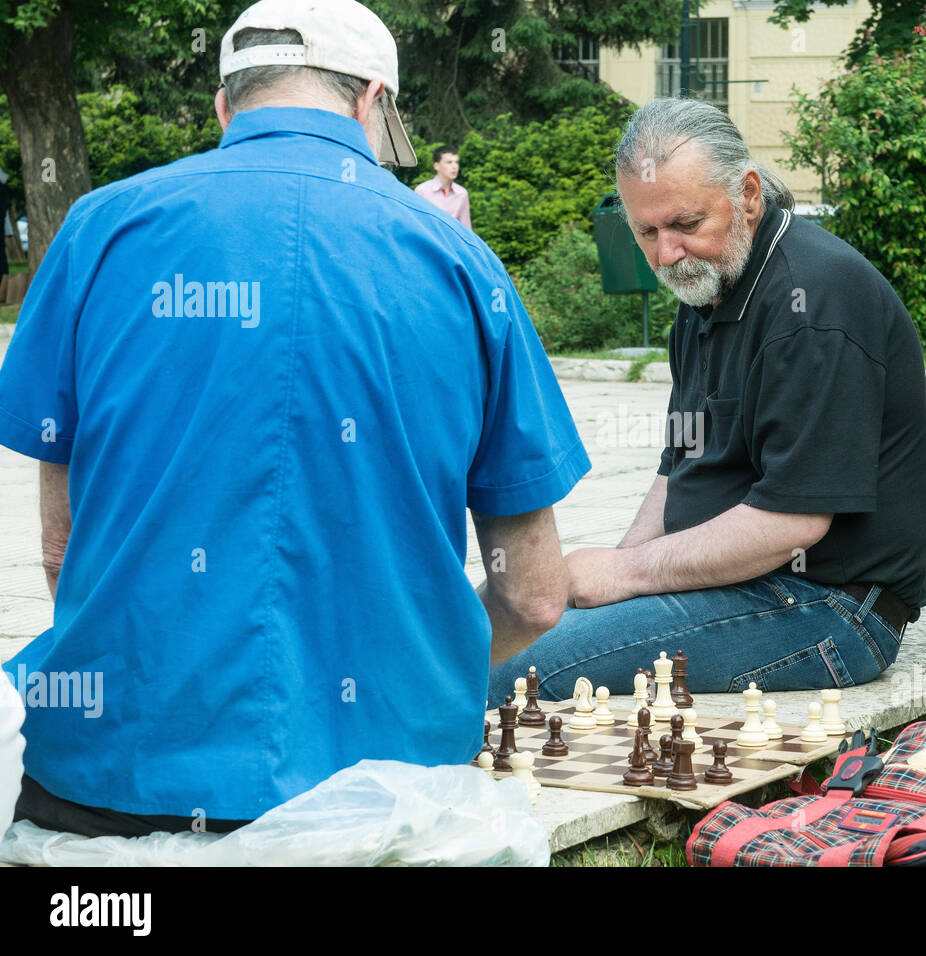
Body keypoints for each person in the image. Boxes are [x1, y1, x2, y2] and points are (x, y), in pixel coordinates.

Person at [0, 0, 588, 838]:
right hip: (388, 795)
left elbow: (62, 553)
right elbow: (533, 598)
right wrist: (415, 677)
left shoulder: (100, 228)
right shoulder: (464, 263)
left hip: (102, 787)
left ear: (223, 105)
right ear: (371, 101)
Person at [487, 98, 926, 703]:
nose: (666, 253)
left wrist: (625, 573)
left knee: (503, 671)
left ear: (748, 195)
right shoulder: (709, 293)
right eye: (646, 231)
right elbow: (677, 473)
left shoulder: (813, 303)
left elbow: (793, 524)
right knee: (500, 627)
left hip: (831, 609)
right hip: (745, 586)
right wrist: (606, 581)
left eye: (686, 224)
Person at [414, 146, 471, 230]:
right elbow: (415, 223)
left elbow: (466, 228)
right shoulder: (422, 191)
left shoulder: (462, 193)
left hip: (452, 242)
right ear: (436, 166)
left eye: (456, 162)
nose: (454, 166)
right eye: (449, 162)